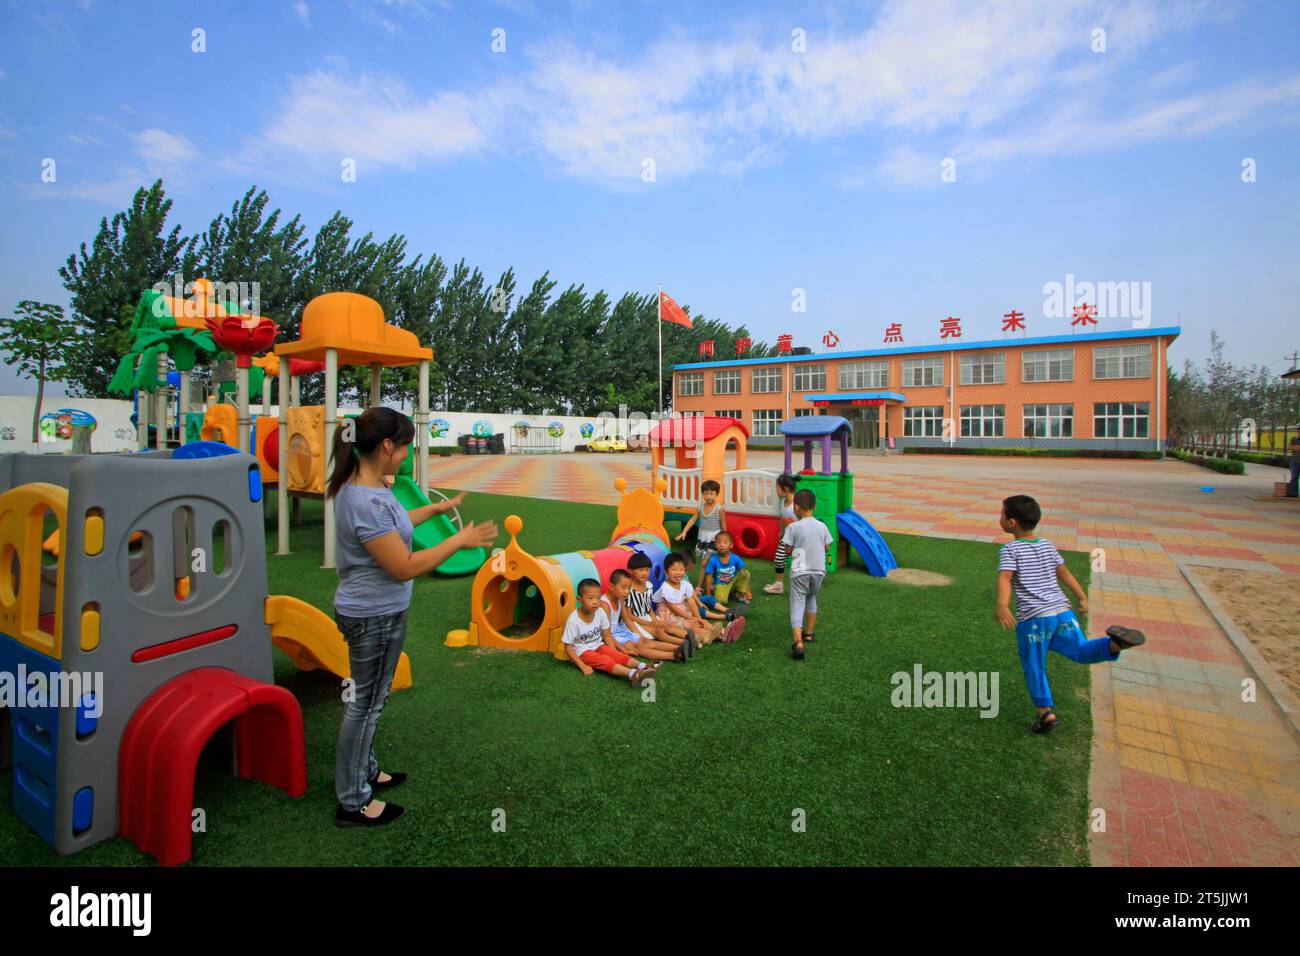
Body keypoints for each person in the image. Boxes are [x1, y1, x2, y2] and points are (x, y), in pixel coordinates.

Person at [328, 407, 499, 827]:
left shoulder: (366, 488)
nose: (406, 455)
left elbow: (398, 521)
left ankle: (364, 772)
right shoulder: (363, 500)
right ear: (387, 446)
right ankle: (353, 800)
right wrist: (461, 539)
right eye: (404, 447)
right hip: (373, 616)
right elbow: (402, 565)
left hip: (376, 612)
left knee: (371, 700)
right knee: (365, 705)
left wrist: (441, 511)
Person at [996, 494, 1145, 733]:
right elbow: (1063, 572)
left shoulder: (1010, 549)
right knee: (1080, 650)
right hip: (1062, 612)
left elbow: (1005, 577)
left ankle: (1045, 714)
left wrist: (1003, 605)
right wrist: (1082, 597)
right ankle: (1114, 645)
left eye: (1002, 514)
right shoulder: (1047, 545)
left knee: (1034, 663)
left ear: (1012, 522)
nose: (1000, 517)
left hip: (1035, 619)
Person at [563, 578, 658, 685]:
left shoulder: (600, 612)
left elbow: (607, 636)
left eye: (598, 598)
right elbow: (568, 647)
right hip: (583, 652)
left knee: (616, 654)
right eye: (590, 598)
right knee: (605, 660)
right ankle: (632, 674)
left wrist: (616, 653)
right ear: (579, 599)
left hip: (598, 646)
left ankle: (643, 666)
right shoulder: (573, 619)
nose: (595, 602)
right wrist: (582, 666)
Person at [774, 488, 833, 660]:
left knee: (797, 603)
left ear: (796, 508)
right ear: (814, 506)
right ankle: (809, 633)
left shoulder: (793, 527)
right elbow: (828, 546)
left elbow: (786, 548)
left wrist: (794, 547)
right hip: (818, 573)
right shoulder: (821, 526)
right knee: (811, 598)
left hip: (800, 572)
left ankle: (798, 641)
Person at [602, 569, 689, 662]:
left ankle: (680, 647)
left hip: (621, 629)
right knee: (638, 647)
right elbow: (606, 634)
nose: (627, 591)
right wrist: (617, 652)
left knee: (646, 641)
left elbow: (627, 620)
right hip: (611, 635)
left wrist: (638, 635)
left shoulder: (620, 599)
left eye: (629, 588)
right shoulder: (604, 605)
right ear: (611, 586)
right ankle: (673, 655)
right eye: (623, 587)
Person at [656, 553, 742, 644]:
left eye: (681, 569)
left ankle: (724, 632)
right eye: (674, 570)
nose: (678, 573)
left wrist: (698, 618)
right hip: (669, 614)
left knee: (701, 622)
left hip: (682, 609)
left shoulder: (685, 584)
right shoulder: (665, 588)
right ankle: (712, 635)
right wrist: (691, 618)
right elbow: (673, 608)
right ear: (666, 571)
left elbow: (691, 601)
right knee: (691, 625)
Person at [625, 552, 695, 653]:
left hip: (648, 617)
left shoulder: (648, 585)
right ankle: (682, 643)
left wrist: (654, 619)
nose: (645, 573)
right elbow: (630, 616)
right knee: (659, 632)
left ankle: (691, 638)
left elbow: (648, 607)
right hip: (636, 621)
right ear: (631, 571)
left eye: (647, 570)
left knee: (667, 626)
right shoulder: (628, 591)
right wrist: (650, 623)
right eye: (641, 570)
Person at [675, 479, 726, 586]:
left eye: (711, 494)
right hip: (703, 538)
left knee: (704, 563)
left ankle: (700, 586)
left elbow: (723, 524)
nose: (708, 496)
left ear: (716, 494)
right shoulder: (700, 507)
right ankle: (708, 583)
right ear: (702, 494)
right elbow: (693, 519)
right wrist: (684, 531)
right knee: (708, 563)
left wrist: (725, 540)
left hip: (714, 539)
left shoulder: (719, 509)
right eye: (706, 493)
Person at [701, 531, 752, 616]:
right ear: (715, 545)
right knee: (722, 601)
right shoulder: (713, 560)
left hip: (733, 581)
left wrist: (748, 591)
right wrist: (708, 594)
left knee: (745, 573)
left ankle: (740, 594)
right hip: (721, 584)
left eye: (725, 542)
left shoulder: (735, 558)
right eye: (719, 542)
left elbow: (744, 574)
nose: (722, 545)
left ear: (731, 545)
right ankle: (729, 593)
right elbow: (708, 577)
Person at [764, 473, 799, 595]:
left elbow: (804, 522)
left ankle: (803, 585)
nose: (776, 491)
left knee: (799, 564)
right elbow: (782, 517)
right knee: (779, 558)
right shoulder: (783, 501)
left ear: (786, 489)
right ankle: (779, 585)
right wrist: (782, 531)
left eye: (777, 488)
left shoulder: (796, 505)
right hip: (786, 537)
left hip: (798, 539)